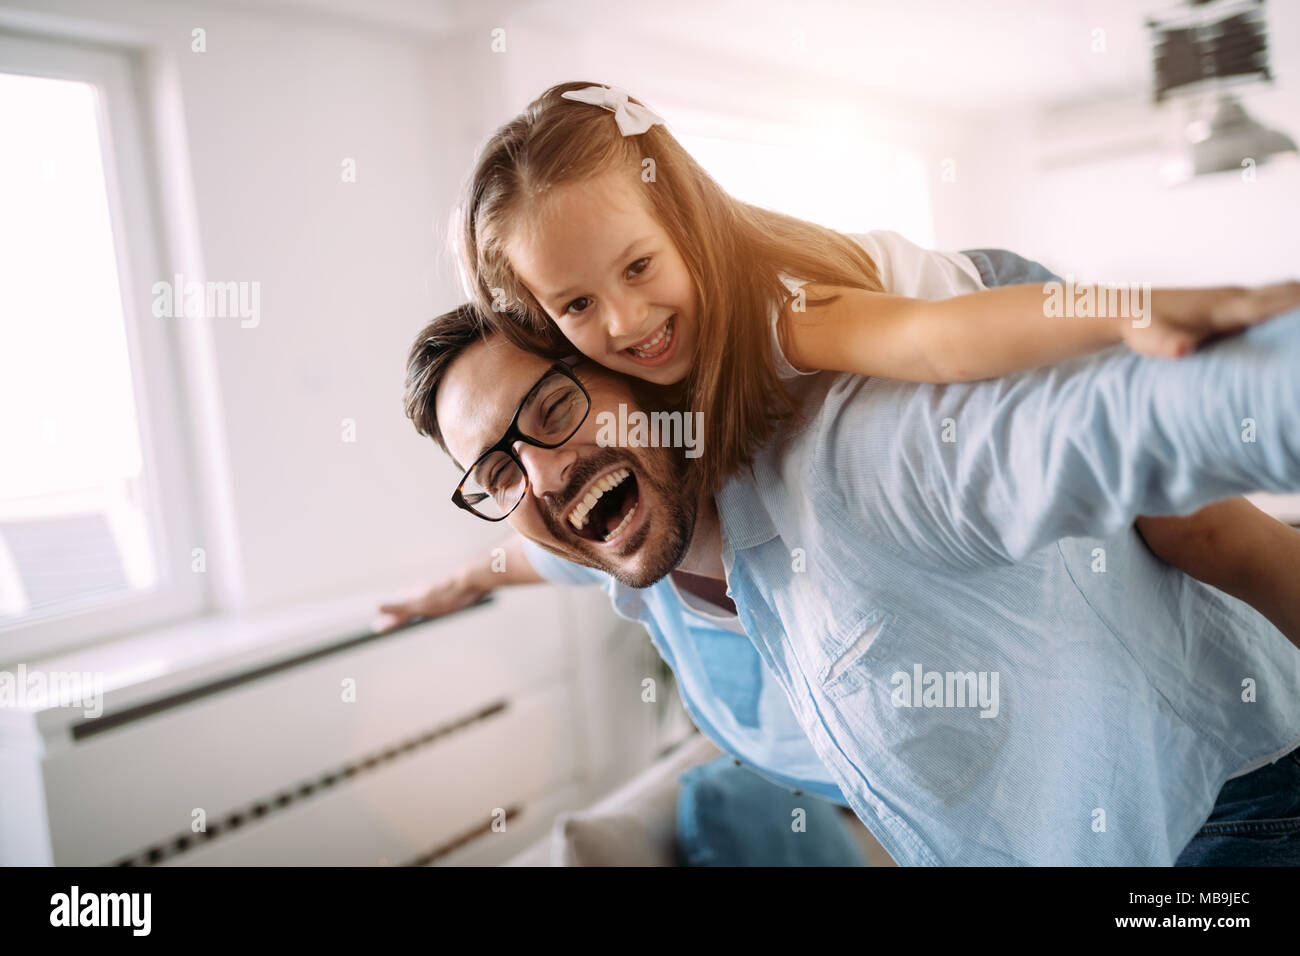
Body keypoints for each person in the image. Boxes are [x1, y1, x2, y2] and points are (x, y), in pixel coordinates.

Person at [390, 279, 1300, 864]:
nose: (543, 473)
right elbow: (536, 552)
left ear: (635, 375)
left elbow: (1100, 430)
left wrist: (1250, 384)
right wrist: (465, 581)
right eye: (499, 473)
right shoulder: (619, 561)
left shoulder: (850, 459)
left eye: (553, 406)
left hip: (1230, 799)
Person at [451, 79, 1300, 648]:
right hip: (943, 338)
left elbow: (934, 341)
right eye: (578, 306)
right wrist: (460, 578)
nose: (627, 321)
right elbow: (562, 541)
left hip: (986, 309)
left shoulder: (778, 309)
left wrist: (1124, 308)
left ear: (686, 221)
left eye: (639, 267)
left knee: (1205, 531)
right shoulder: (614, 395)